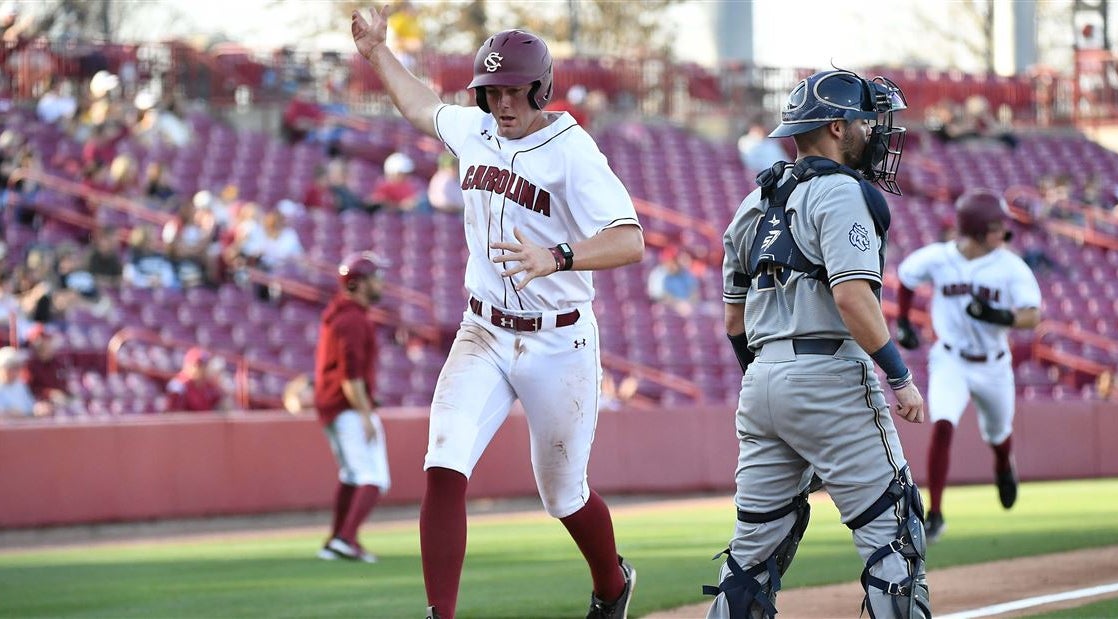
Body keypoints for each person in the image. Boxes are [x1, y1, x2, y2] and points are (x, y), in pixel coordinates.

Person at [352, 9, 645, 619]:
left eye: (514, 92)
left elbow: (629, 239)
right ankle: (441, 614)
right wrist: (378, 52)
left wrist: (559, 256)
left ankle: (613, 585)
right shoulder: (476, 131)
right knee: (443, 462)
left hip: (558, 342)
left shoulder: (570, 149)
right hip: (482, 330)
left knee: (563, 495)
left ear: (540, 90)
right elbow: (420, 106)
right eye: (492, 92)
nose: (503, 104)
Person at [712, 69, 929, 618]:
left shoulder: (752, 201)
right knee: (893, 533)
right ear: (837, 128)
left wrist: (765, 380)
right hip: (830, 375)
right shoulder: (840, 192)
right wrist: (899, 376)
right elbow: (854, 298)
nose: (876, 133)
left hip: (762, 386)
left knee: (749, 558)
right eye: (865, 121)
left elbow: (734, 319)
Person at [895, 189, 1043, 543]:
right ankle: (936, 513)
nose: (1003, 233)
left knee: (998, 434)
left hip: (993, 365)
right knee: (943, 424)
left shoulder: (1010, 265)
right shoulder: (941, 258)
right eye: (995, 227)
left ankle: (1004, 465)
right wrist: (902, 322)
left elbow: (1033, 315)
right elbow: (906, 277)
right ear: (976, 230)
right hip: (950, 358)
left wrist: (1000, 315)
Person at [313, 251, 391, 564]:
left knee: (351, 475)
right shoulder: (352, 319)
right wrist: (365, 413)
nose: (380, 283)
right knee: (372, 478)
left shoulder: (342, 314)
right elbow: (351, 374)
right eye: (374, 277)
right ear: (358, 283)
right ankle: (345, 538)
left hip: (335, 406)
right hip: (348, 406)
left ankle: (336, 540)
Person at [165, 347, 228, 412]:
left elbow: (222, 404)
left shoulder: (207, 384)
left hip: (205, 420)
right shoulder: (178, 385)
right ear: (188, 365)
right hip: (189, 421)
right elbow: (173, 415)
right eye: (199, 365)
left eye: (205, 365)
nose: (203, 368)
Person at [0, 345, 37, 417]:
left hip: (24, 426)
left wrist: (38, 410)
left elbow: (31, 408)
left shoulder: (20, 385)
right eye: (11, 367)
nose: (15, 372)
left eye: (17, 367)